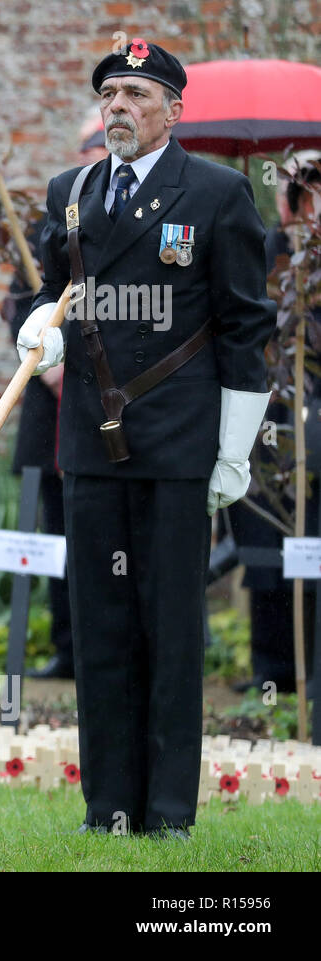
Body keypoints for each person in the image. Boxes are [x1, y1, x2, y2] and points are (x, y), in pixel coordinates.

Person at [17, 39, 275, 838]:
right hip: (92, 443)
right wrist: (39, 325)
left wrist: (233, 449)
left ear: (174, 108)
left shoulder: (218, 193)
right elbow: (56, 296)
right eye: (110, 93)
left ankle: (167, 811)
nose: (118, 106)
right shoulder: (72, 192)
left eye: (135, 92)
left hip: (176, 444)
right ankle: (109, 807)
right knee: (99, 627)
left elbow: (246, 328)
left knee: (167, 631)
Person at [5, 111, 107, 680]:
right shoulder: (56, 224)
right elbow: (27, 301)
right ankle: (67, 649)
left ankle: (102, 654)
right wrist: (43, 354)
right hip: (53, 419)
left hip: (104, 411)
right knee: (56, 538)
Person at [227, 153, 321, 695]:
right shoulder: (271, 250)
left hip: (314, 416)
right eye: (302, 196)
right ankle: (272, 665)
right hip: (271, 416)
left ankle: (310, 670)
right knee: (264, 534)